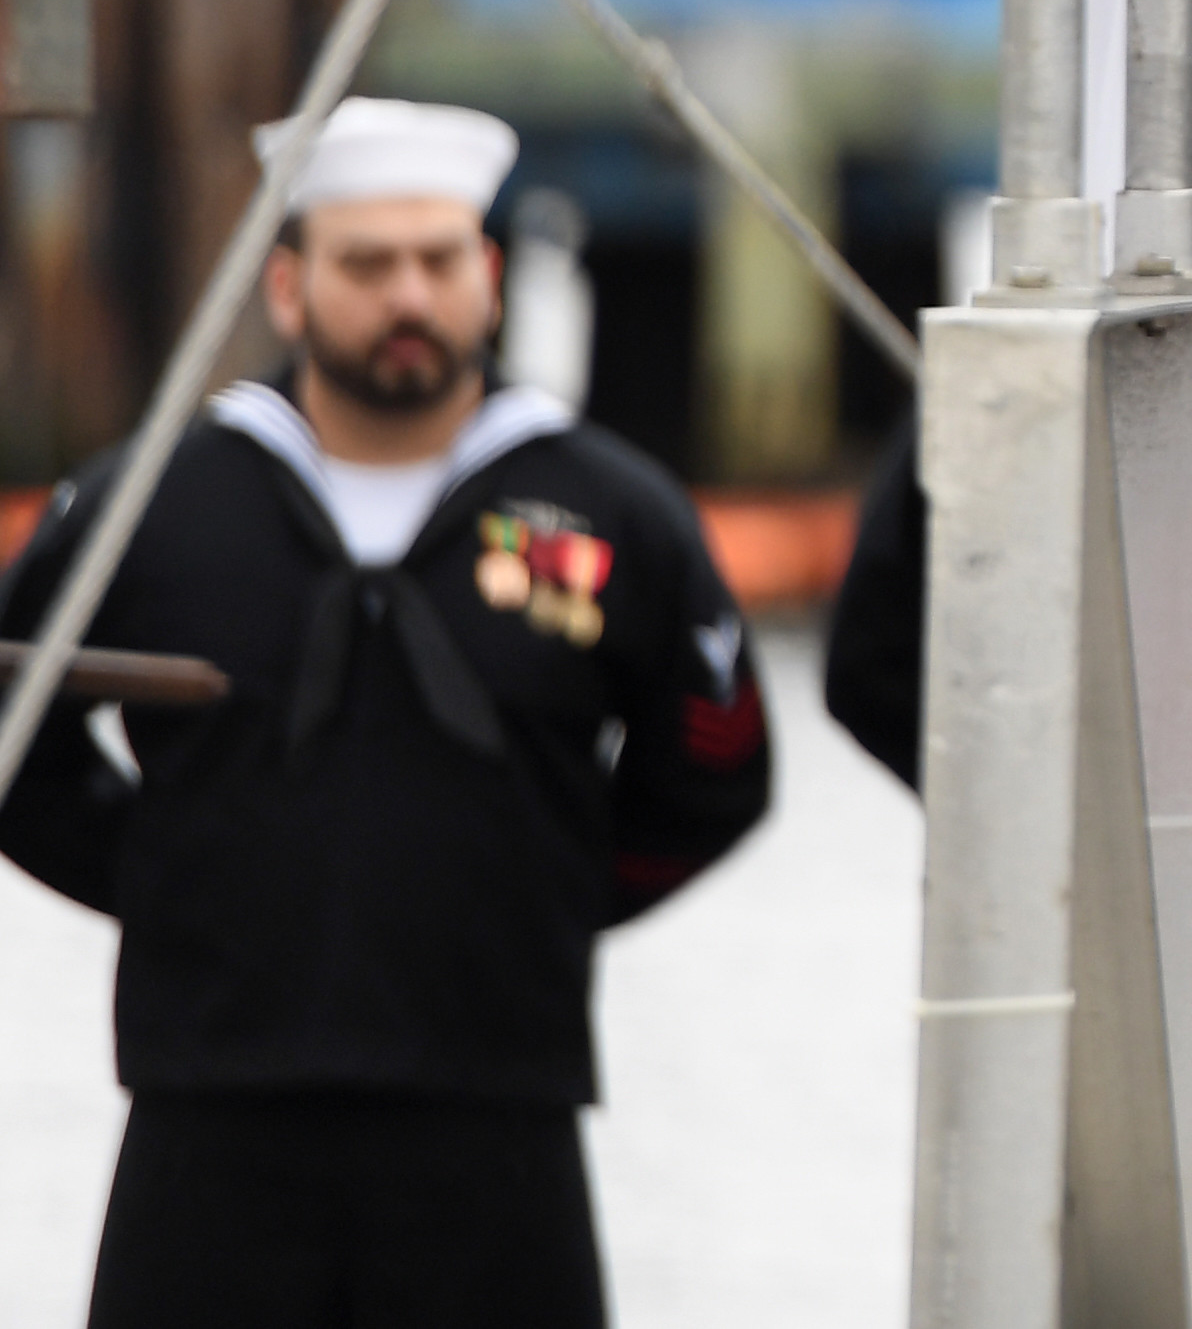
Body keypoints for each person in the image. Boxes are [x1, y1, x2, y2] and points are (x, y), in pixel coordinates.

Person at [0, 98, 773, 1328]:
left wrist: (548, 889)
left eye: (440, 258)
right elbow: (10, 736)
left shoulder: (612, 508)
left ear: (493, 276)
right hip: (212, 1113)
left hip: (498, 1117)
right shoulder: (151, 501)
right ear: (291, 286)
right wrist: (169, 873)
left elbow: (717, 765)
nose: (408, 294)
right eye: (367, 263)